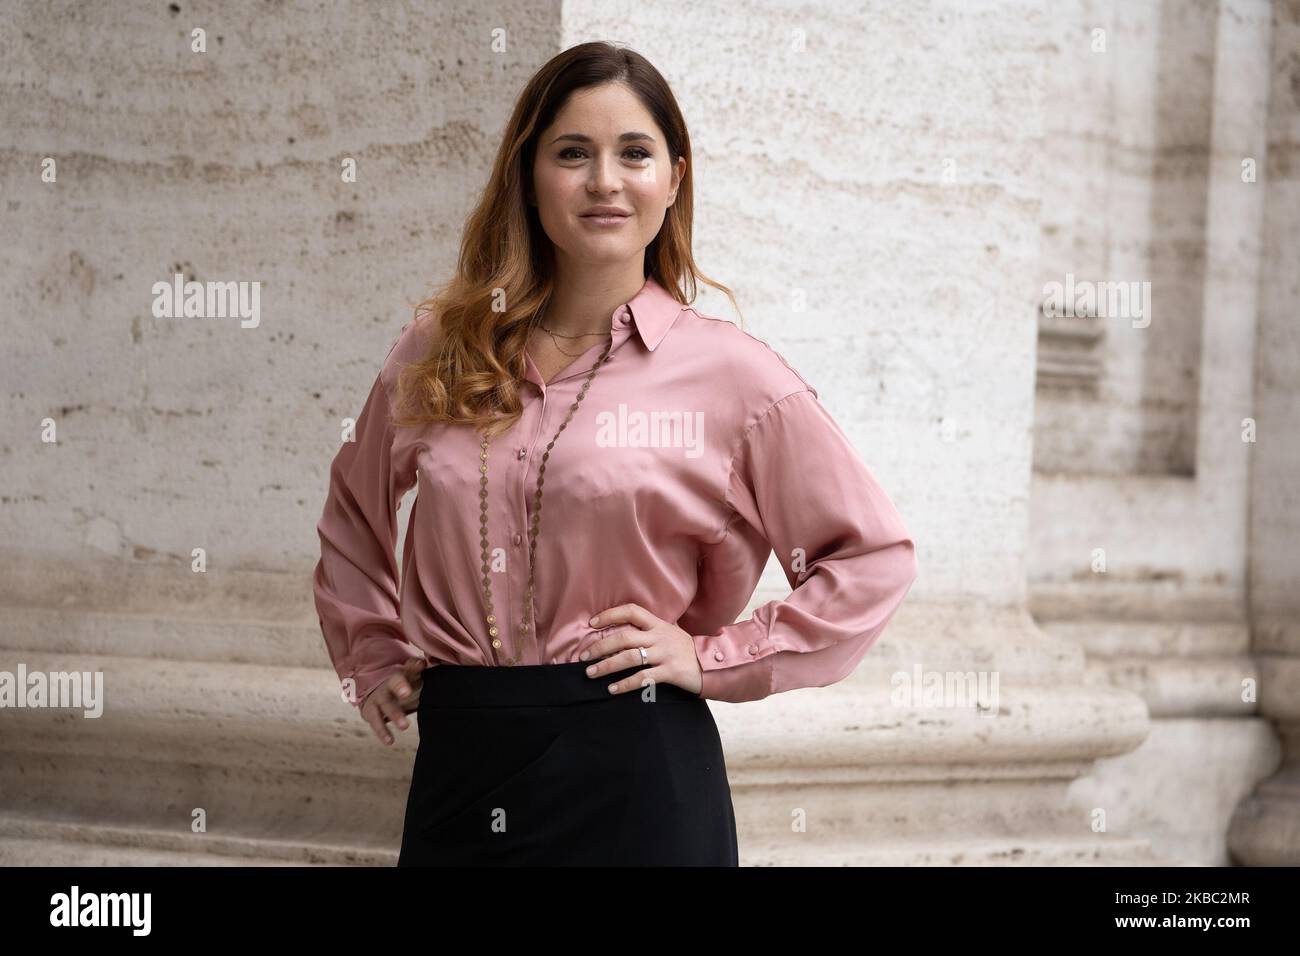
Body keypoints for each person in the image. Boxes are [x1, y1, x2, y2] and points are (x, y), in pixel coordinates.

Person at [312, 40, 919, 866]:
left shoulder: (734, 377)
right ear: (529, 175)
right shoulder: (438, 352)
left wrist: (709, 659)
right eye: (573, 154)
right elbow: (353, 513)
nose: (605, 181)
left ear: (673, 179)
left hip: (640, 770)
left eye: (634, 153)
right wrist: (371, 649)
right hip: (461, 762)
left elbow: (872, 557)